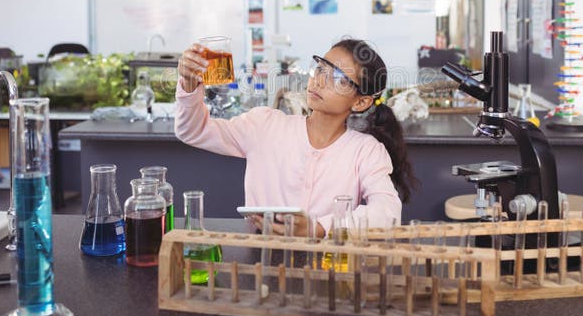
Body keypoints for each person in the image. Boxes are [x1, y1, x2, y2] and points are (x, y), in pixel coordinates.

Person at [175, 38, 418, 238]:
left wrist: (320, 227)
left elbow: (388, 212)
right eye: (321, 68)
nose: (320, 80)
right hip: (262, 260)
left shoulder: (365, 150)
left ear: (361, 102)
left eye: (338, 78)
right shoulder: (265, 126)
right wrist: (188, 84)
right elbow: (193, 130)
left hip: (329, 268)